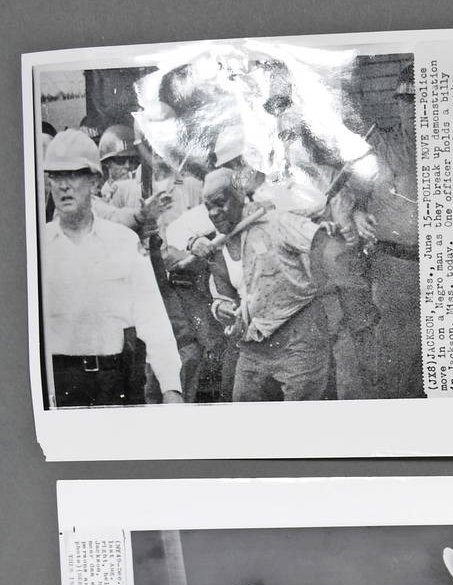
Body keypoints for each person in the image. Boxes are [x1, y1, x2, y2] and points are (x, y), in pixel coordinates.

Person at [39, 129, 184, 407]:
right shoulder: (38, 247)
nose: (64, 186)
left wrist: (171, 387)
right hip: (58, 385)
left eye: (74, 174)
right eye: (56, 176)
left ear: (95, 181)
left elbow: (152, 318)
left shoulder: (122, 243)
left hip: (114, 382)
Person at [197, 168, 335, 402]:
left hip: (298, 339)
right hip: (253, 345)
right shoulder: (216, 246)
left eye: (220, 203)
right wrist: (221, 308)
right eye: (208, 207)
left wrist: (327, 235)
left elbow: (324, 245)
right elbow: (223, 295)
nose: (214, 213)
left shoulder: (278, 221)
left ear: (240, 196)